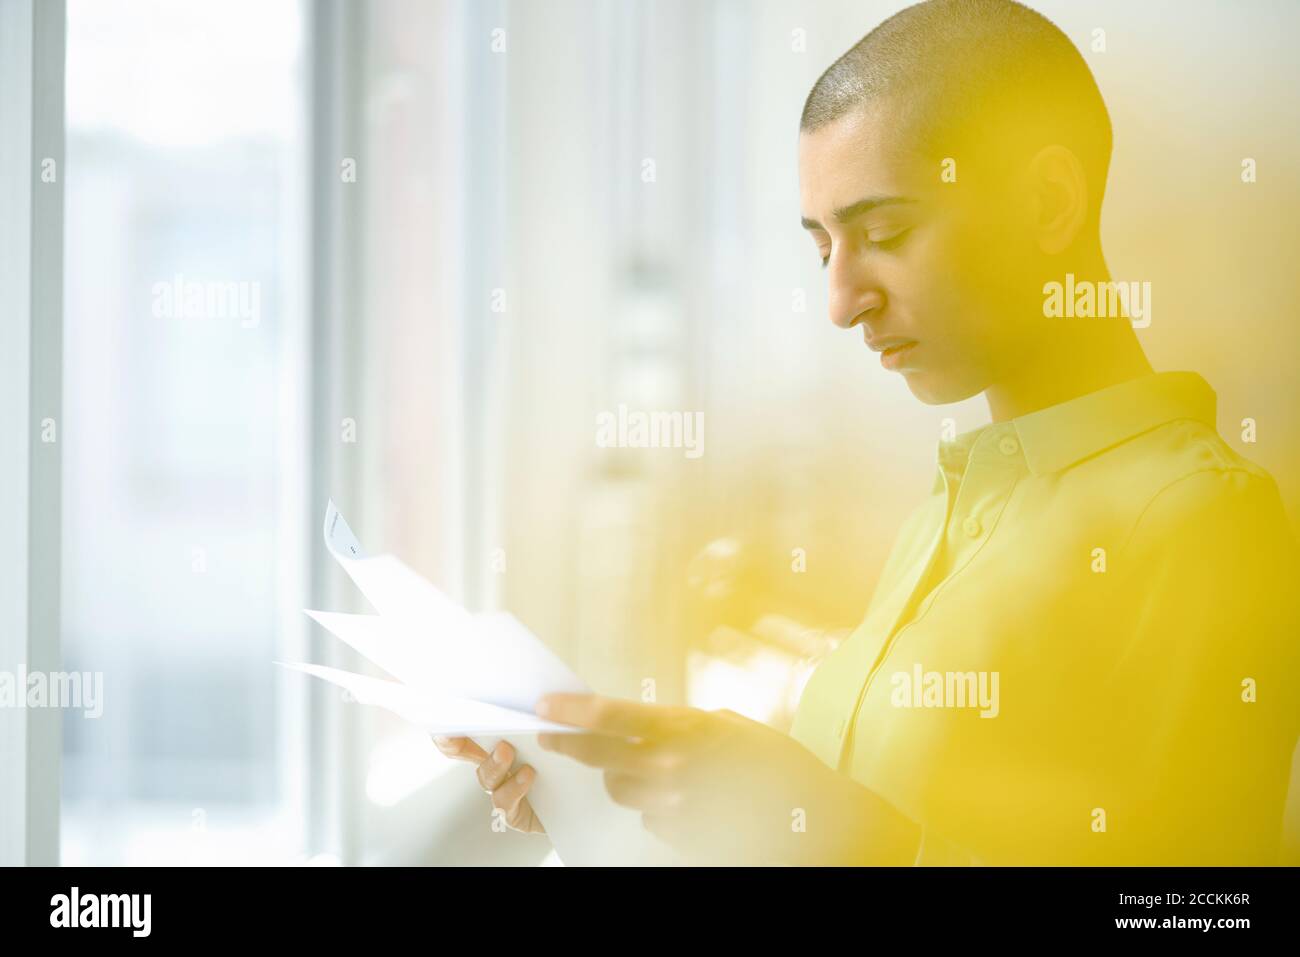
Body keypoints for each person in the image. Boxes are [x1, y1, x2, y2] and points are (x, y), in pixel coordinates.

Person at [435, 0, 1300, 865]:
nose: (844, 304)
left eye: (886, 233)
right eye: (823, 251)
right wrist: (615, 807)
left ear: (1049, 202)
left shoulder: (1203, 521)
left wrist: (841, 829)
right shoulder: (952, 506)